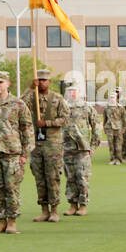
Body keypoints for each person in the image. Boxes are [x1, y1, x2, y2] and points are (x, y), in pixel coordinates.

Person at [0, 71, 33, 234]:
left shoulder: (18, 104)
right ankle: (0, 220)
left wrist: (25, 154)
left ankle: (12, 221)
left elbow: (27, 129)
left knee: (12, 187)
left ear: (8, 84)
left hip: (12, 152)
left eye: (1, 82)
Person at [21, 68, 69, 222]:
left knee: (52, 177)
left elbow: (65, 119)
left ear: (49, 81)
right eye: (39, 80)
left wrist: (47, 123)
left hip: (52, 144)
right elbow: (19, 106)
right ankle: (44, 210)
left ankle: (54, 210)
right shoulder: (32, 97)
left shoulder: (57, 98)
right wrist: (30, 88)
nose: (41, 82)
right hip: (36, 143)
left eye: (44, 80)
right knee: (39, 177)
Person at [62, 84, 97, 216]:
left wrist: (93, 146)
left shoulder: (86, 107)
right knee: (70, 177)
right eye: (70, 91)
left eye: (74, 91)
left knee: (82, 177)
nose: (72, 93)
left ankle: (83, 205)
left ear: (79, 92)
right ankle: (72, 204)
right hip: (67, 147)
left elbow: (96, 126)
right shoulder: (63, 107)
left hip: (82, 148)